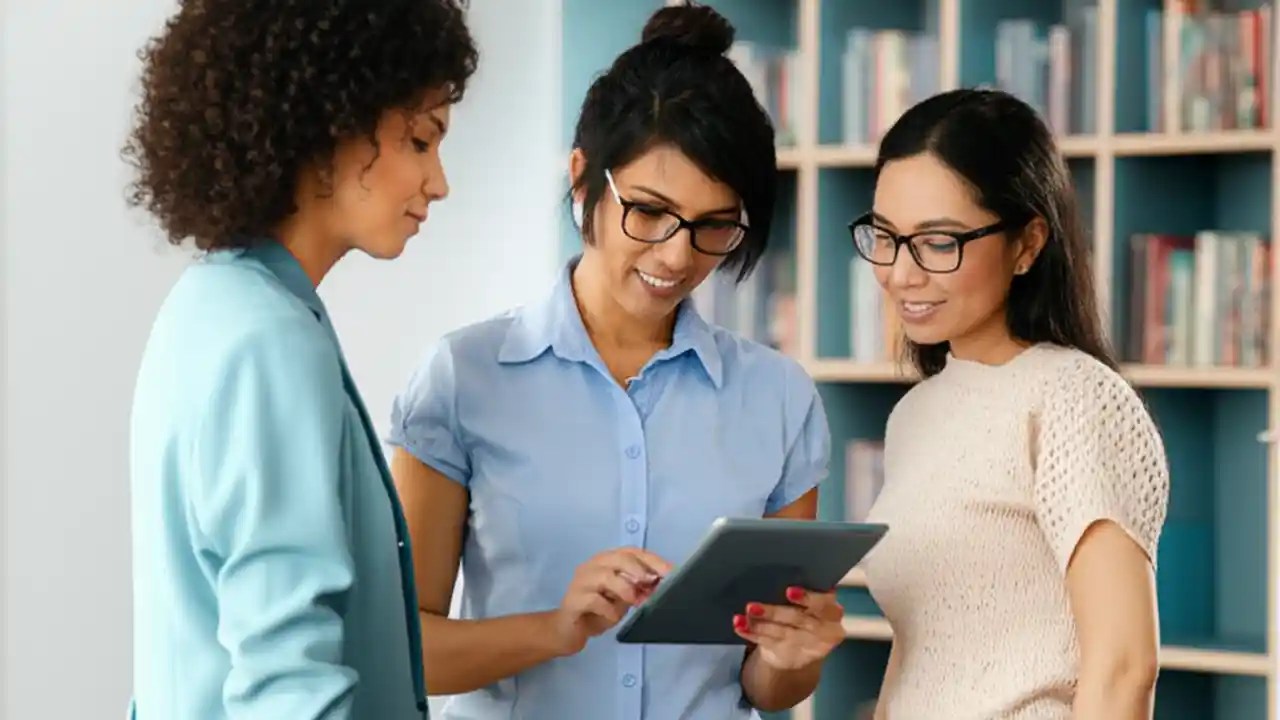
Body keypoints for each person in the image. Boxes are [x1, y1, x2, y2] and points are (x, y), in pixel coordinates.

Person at [386, 3, 842, 719]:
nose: (678, 256)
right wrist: (553, 630)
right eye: (651, 212)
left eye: (714, 226)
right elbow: (399, 650)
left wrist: (794, 658)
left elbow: (764, 685)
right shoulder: (463, 379)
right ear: (582, 180)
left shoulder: (778, 399)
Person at [122, 2, 477, 718]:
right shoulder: (270, 341)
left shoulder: (207, 303)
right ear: (330, 127)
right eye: (419, 140)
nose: (437, 182)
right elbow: (287, 683)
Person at [851, 88, 1170, 718]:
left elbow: (1124, 668)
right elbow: (921, 655)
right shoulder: (913, 416)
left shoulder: (1075, 397)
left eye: (938, 243)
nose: (900, 273)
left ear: (1027, 243)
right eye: (885, 237)